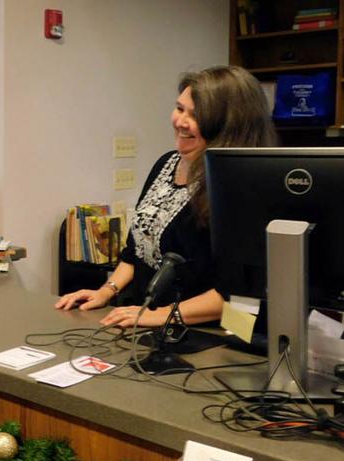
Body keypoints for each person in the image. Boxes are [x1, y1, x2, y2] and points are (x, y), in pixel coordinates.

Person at [55, 66, 276, 327]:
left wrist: (160, 315)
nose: (181, 121)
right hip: (148, 321)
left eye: (195, 115)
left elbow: (240, 296)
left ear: (227, 125)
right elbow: (135, 251)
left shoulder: (241, 187)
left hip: (212, 335)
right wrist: (105, 291)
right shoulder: (166, 163)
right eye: (180, 108)